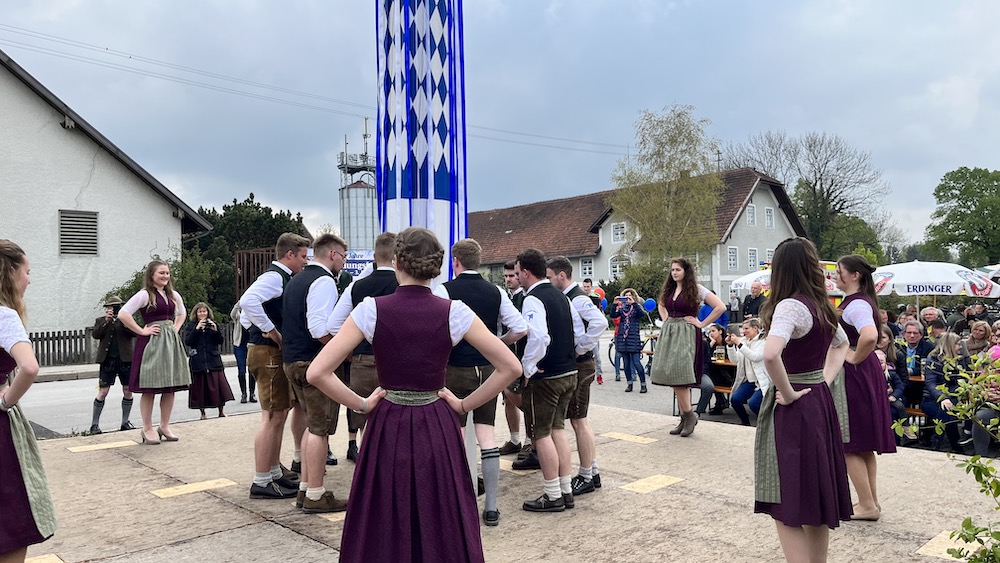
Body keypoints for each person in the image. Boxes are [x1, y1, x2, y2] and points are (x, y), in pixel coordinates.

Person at [305, 226, 521, 563]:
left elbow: (316, 372)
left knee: (385, 514)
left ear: (397, 260)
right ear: (437, 266)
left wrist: (361, 403)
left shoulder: (370, 309)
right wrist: (464, 404)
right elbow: (511, 367)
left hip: (386, 422)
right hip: (436, 422)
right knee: (441, 512)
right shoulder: (455, 311)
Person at [754, 237, 852, 563]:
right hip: (820, 401)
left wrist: (791, 391)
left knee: (786, 503)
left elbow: (770, 355)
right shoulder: (822, 305)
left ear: (780, 270)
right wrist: (824, 378)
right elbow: (842, 345)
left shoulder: (789, 306)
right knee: (816, 498)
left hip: (795, 405)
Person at [434, 239, 526, 526]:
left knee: (458, 438)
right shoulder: (496, 291)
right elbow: (521, 327)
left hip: (454, 368)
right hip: (487, 370)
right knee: (487, 436)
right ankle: (491, 506)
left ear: (456, 261)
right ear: (479, 261)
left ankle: (462, 503)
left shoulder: (443, 290)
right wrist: (496, 343)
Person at [282, 233, 349, 513]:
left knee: (312, 426)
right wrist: (342, 348)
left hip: (292, 360)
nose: (344, 263)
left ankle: (305, 488)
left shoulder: (297, 278)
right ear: (333, 254)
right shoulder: (323, 281)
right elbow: (319, 329)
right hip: (312, 362)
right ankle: (316, 494)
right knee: (320, 430)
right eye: (344, 257)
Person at [516, 248, 587, 512]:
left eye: (518, 271)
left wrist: (528, 367)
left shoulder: (532, 299)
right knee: (559, 430)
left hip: (547, 375)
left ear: (525, 272)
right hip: (569, 371)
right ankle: (566, 490)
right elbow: (577, 331)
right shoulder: (561, 295)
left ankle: (552, 494)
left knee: (540, 434)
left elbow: (538, 337)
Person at [240, 232, 310, 499]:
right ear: (289, 255)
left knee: (278, 414)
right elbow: (247, 302)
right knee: (272, 417)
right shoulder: (274, 277)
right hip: (267, 352)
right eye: (303, 256)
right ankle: (261, 479)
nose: (305, 262)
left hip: (269, 352)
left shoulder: (280, 277)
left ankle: (272, 472)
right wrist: (272, 331)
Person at [0, 240, 56, 561]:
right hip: (1, 428)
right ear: (10, 272)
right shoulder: (5, 316)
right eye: (27, 271)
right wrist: (7, 401)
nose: (30, 279)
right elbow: (30, 367)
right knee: (11, 514)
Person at [834, 254, 897, 522]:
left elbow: (870, 336)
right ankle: (870, 501)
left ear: (854, 275)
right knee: (863, 445)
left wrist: (853, 357)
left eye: (839, 272)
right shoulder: (861, 301)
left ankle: (867, 505)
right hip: (865, 374)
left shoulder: (855, 304)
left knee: (849, 443)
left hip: (855, 375)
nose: (835, 276)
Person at [327, 232, 398, 462]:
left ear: (375, 256)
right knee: (391, 414)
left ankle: (361, 453)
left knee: (360, 408)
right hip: (394, 360)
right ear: (397, 256)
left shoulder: (357, 286)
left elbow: (333, 324)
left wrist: (354, 341)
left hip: (362, 358)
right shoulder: (403, 285)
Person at [546, 257, 607, 498]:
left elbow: (599, 323)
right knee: (579, 419)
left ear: (562, 275)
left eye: (550, 277)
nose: (549, 281)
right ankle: (592, 470)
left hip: (581, 364)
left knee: (579, 419)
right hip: (580, 364)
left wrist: (579, 347)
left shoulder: (578, 297)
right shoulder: (570, 297)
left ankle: (586, 475)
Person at [649, 257, 726, 437]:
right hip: (671, 333)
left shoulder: (697, 289)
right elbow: (661, 304)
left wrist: (701, 323)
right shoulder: (670, 288)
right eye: (673, 270)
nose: (674, 272)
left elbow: (720, 307)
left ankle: (688, 416)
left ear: (686, 271)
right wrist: (666, 318)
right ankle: (686, 416)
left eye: (678, 270)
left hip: (687, 335)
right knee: (674, 375)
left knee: (681, 376)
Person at [117, 260, 190, 445]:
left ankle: (164, 425)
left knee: (169, 386)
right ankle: (147, 428)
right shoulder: (144, 295)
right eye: (161, 273)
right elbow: (123, 314)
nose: (165, 276)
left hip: (170, 342)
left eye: (167, 273)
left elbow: (182, 313)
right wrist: (142, 331)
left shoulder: (173, 295)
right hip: (151, 343)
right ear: (152, 275)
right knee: (149, 387)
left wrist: (176, 327)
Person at [89, 295, 137, 434]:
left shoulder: (127, 319)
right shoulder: (101, 320)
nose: (113, 310)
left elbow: (133, 333)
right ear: (107, 309)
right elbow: (96, 335)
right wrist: (107, 321)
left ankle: (125, 422)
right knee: (103, 392)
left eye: (116, 307)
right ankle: (94, 425)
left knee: (128, 390)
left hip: (125, 359)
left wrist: (122, 320)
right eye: (111, 307)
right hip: (108, 360)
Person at [920, 333, 970, 453]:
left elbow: (964, 379)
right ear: (949, 345)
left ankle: (937, 444)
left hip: (953, 399)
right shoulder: (932, 359)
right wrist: (942, 397)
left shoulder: (960, 359)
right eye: (957, 344)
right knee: (947, 412)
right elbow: (930, 383)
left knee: (946, 411)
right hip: (931, 400)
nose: (960, 347)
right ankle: (955, 445)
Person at [183, 302, 234, 420]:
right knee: (200, 388)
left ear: (208, 312)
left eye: (204, 311)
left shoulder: (213, 324)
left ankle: (221, 411)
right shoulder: (191, 326)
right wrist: (197, 329)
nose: (202, 313)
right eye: (200, 311)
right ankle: (202, 413)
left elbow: (220, 340)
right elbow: (189, 342)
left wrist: (215, 330)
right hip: (198, 361)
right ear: (196, 313)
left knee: (218, 386)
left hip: (213, 360)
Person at [725, 318, 770, 426]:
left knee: (754, 404)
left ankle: (767, 424)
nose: (743, 331)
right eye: (742, 329)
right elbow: (734, 360)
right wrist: (731, 346)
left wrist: (739, 344)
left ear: (755, 328)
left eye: (746, 329)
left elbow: (755, 357)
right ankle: (745, 422)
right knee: (735, 400)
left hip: (761, 380)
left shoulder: (763, 341)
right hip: (749, 381)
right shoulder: (744, 341)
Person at [609, 288, 648, 393]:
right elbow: (612, 315)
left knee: (636, 362)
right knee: (626, 363)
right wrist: (614, 304)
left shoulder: (637, 307)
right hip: (623, 339)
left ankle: (643, 384)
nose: (628, 298)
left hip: (633, 338)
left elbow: (642, 314)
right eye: (626, 296)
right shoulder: (621, 309)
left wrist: (634, 303)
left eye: (630, 296)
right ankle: (629, 384)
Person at [897, 320, 934, 407]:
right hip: (902, 384)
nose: (912, 336)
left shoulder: (929, 347)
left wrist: (910, 371)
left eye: (915, 333)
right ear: (903, 334)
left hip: (920, 386)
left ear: (921, 335)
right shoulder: (898, 347)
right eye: (909, 333)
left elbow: (928, 369)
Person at [703, 323, 734, 415]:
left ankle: (720, 402)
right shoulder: (710, 343)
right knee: (712, 375)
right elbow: (706, 356)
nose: (711, 333)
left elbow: (732, 358)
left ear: (720, 331)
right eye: (710, 332)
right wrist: (711, 343)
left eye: (713, 331)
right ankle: (721, 402)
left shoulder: (727, 342)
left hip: (729, 372)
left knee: (713, 375)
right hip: (716, 372)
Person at [230, 303, 256, 403]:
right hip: (239, 345)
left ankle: (252, 393)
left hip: (251, 344)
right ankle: (243, 393)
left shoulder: (252, 313)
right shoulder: (238, 314)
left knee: (252, 370)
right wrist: (239, 303)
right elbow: (232, 314)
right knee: (241, 371)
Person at [581, 278, 604, 385]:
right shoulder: (580, 298)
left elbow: (599, 316)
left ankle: (599, 375)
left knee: (597, 356)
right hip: (582, 331)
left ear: (591, 287)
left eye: (588, 287)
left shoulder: (595, 299)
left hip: (592, 331)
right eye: (584, 287)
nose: (586, 289)